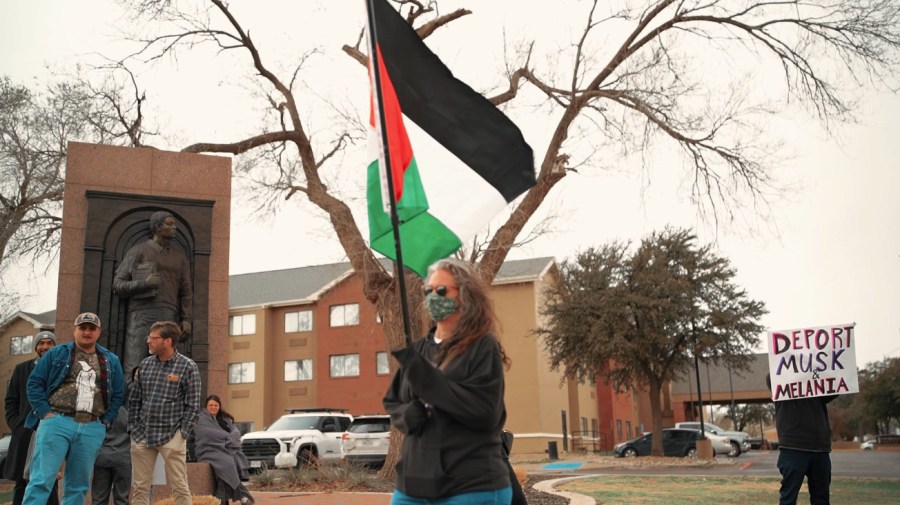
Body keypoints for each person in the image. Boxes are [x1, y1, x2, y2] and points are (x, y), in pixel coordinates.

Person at [383, 258, 512, 505]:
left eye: (441, 290)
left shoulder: (482, 346)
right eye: (428, 291)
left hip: (471, 487)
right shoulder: (418, 350)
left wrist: (430, 385)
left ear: (464, 295)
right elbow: (393, 401)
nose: (433, 296)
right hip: (412, 487)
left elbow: (485, 412)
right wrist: (408, 415)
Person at [22, 313, 126, 505]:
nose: (87, 332)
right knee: (41, 480)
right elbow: (35, 383)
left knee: (78, 485)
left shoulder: (111, 360)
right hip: (57, 421)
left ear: (98, 332)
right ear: (74, 330)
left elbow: (119, 394)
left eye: (91, 328)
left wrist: (105, 421)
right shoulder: (57, 353)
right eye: (83, 328)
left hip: (92, 426)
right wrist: (45, 413)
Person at [113, 210, 193, 378]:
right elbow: (118, 285)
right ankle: (132, 403)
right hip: (140, 315)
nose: (174, 228)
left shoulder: (180, 258)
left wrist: (186, 319)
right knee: (134, 366)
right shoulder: (138, 251)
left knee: (167, 367)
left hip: (168, 317)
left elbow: (186, 291)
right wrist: (144, 284)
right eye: (169, 224)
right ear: (157, 227)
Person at [128, 320, 201, 505]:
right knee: (140, 487)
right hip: (143, 435)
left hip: (172, 435)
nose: (148, 341)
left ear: (168, 341)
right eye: (149, 337)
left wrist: (182, 435)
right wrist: (134, 430)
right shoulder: (145, 365)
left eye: (153, 338)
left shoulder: (188, 366)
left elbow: (193, 405)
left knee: (180, 486)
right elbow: (135, 399)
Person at [3, 331, 60, 505]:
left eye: (49, 343)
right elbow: (11, 400)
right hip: (26, 434)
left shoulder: (61, 369)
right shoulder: (22, 369)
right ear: (36, 346)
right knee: (22, 481)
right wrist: (16, 424)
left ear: (54, 345)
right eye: (41, 343)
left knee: (50, 481)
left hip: (51, 432)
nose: (45, 347)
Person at [767, 374, 838, 505]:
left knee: (822, 499)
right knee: (788, 499)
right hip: (793, 448)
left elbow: (834, 388)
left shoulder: (817, 377)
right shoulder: (779, 377)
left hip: (820, 448)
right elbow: (771, 377)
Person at [193, 395, 254, 505]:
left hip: (226, 450)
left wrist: (228, 440)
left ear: (219, 406)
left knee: (228, 465)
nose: (213, 407)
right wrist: (227, 437)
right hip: (207, 450)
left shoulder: (225, 419)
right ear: (206, 407)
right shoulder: (200, 419)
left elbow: (235, 432)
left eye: (216, 405)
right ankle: (242, 495)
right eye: (210, 405)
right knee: (228, 464)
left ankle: (220, 499)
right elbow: (207, 434)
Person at [91, 404, 130, 505]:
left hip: (101, 457)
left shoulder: (99, 410)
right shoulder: (126, 411)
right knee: (122, 499)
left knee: (99, 499)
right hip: (123, 457)